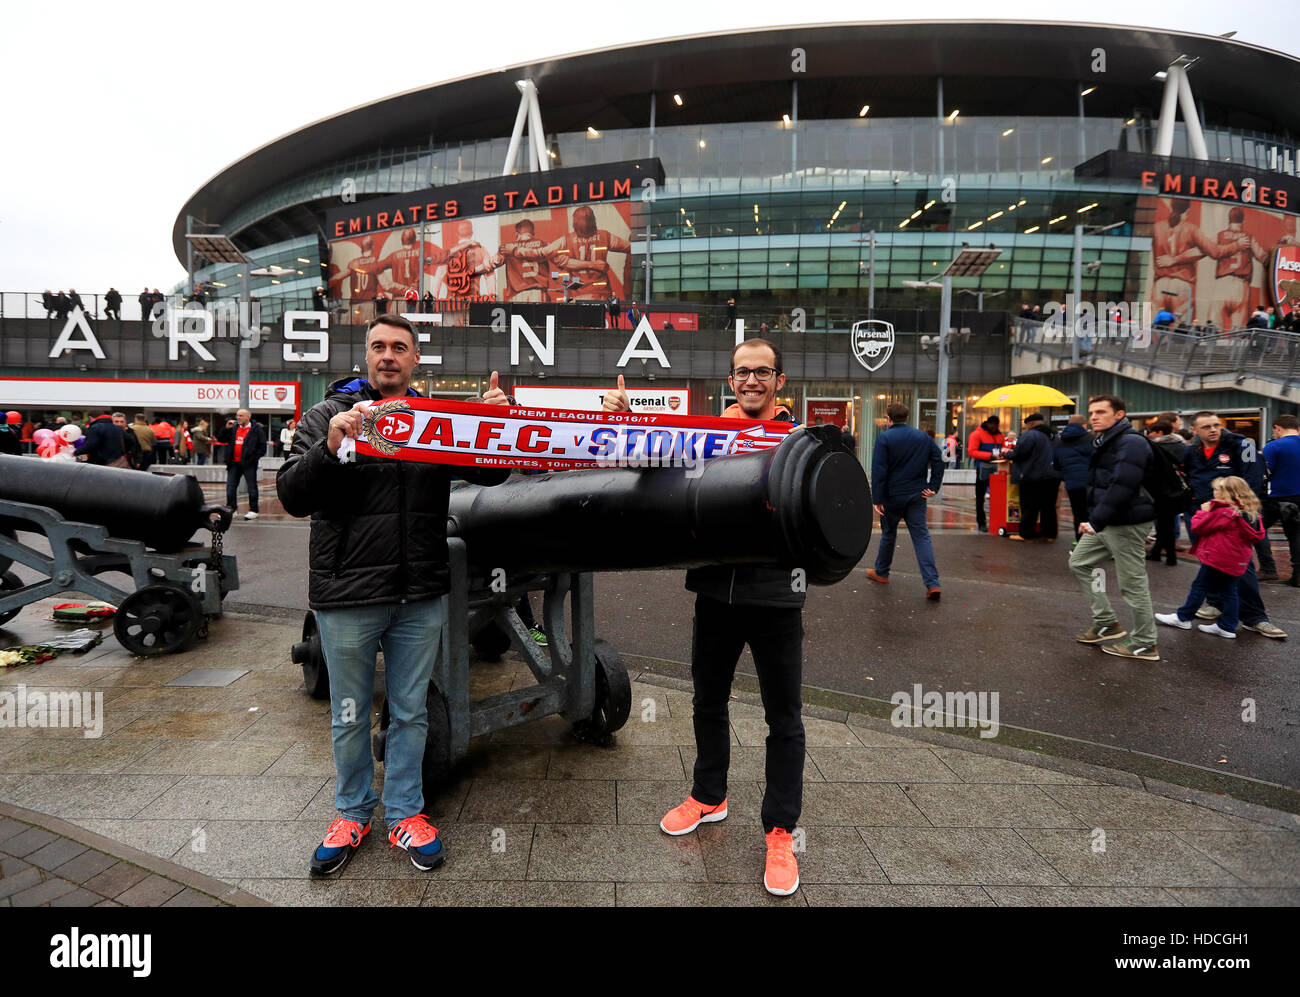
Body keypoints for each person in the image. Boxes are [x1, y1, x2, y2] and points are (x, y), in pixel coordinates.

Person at [277, 312, 511, 877]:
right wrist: (330, 448)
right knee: (350, 712)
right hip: (347, 595)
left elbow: (492, 477)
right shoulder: (327, 415)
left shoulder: (436, 420)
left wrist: (493, 424)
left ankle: (405, 811)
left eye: (399, 348)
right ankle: (352, 811)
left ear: (414, 359)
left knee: (410, 711)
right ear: (366, 356)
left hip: (420, 592)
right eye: (379, 346)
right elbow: (291, 494)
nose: (388, 356)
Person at [604, 338, 805, 896]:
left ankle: (781, 830)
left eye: (763, 372)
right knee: (707, 702)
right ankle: (709, 795)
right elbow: (649, 469)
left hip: (777, 600)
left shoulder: (801, 442)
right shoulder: (705, 437)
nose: (751, 381)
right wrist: (623, 425)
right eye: (742, 372)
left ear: (779, 381)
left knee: (783, 718)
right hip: (716, 594)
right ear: (731, 380)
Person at [1068, 395, 1160, 660]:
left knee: (1132, 583)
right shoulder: (1106, 440)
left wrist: (1095, 521)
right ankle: (1107, 622)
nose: (1094, 417)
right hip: (1109, 519)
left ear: (1119, 415)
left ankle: (1145, 642)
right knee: (1080, 562)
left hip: (1128, 521)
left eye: (1100, 412)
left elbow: (1123, 485)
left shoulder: (1130, 442)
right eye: (1092, 412)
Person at [1179, 411, 1286, 639]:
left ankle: (1255, 617)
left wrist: (1237, 510)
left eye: (1216, 425)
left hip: (1231, 519)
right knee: (1209, 560)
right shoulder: (1192, 452)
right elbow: (1185, 477)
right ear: (1196, 430)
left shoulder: (1243, 445)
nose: (1213, 429)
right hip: (1202, 516)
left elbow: (1253, 480)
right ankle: (1216, 605)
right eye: (1206, 426)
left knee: (1241, 566)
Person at [1156, 476, 1264, 640]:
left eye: (1217, 490)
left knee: (1200, 586)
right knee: (1230, 592)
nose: (1214, 492)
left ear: (1227, 493)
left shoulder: (1224, 512)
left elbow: (1198, 527)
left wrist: (1203, 511)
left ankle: (1183, 617)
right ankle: (1227, 626)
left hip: (1218, 558)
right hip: (1236, 560)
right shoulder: (1250, 512)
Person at [865, 402, 944, 598]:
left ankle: (882, 572)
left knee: (888, 534)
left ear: (889, 419)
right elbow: (938, 460)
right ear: (907, 417)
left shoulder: (885, 438)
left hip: (892, 496)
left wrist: (878, 498)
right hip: (917, 495)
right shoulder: (922, 437)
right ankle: (932, 583)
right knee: (921, 537)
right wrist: (933, 486)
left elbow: (879, 470)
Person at [1008, 413, 1061, 542]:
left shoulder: (1030, 435)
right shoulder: (1055, 435)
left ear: (1030, 424)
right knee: (1048, 507)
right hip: (1053, 476)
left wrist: (1009, 454)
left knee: (1029, 506)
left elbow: (1020, 453)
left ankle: (1026, 534)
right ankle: (1050, 535)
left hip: (1033, 476)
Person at [1262, 413, 1300, 586]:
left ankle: (1267, 568)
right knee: (1296, 535)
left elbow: (1265, 473)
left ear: (1277, 428)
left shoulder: (1274, 446)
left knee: (1255, 529)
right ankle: (1298, 575)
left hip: (1278, 497)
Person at [1145, 421, 1188, 565]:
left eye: (1151, 431)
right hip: (1178, 490)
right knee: (1167, 523)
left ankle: (1170, 556)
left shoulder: (1155, 447)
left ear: (1159, 432)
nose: (1149, 434)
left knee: (1163, 524)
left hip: (1160, 489)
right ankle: (1159, 552)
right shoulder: (1182, 445)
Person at [1054, 414, 1092, 544]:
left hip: (1072, 483)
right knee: (1092, 513)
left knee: (1078, 513)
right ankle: (1093, 543)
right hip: (1090, 482)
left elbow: (1056, 464)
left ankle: (1079, 541)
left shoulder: (1060, 441)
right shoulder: (1089, 438)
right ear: (1084, 425)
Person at [225, 409, 267, 520]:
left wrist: (253, 458)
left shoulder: (256, 429)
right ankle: (231, 510)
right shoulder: (233, 428)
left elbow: (262, 447)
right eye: (237, 415)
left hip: (249, 464)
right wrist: (226, 429)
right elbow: (222, 438)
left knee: (252, 487)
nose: (238, 418)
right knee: (230, 488)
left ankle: (253, 510)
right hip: (234, 463)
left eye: (241, 416)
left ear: (248, 417)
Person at [968, 415, 1005, 533]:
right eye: (992, 426)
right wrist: (989, 455)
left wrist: (1004, 453)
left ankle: (997, 522)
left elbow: (1003, 447)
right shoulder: (977, 434)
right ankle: (981, 523)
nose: (994, 428)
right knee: (980, 497)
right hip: (982, 467)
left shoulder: (1000, 435)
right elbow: (972, 451)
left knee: (998, 496)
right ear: (988, 424)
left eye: (996, 426)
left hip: (997, 467)